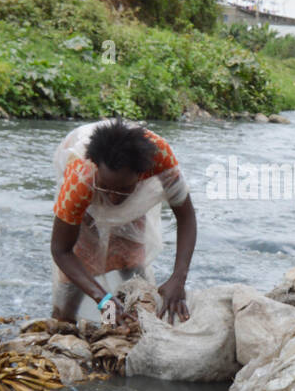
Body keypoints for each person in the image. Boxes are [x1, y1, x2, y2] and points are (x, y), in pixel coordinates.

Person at [50, 117, 196, 324]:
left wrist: (178, 278)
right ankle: (67, 321)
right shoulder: (80, 177)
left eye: (124, 189)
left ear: (142, 174)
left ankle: (128, 320)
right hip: (88, 188)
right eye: (107, 189)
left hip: (121, 183)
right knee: (81, 262)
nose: (114, 199)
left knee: (129, 261)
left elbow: (186, 216)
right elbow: (61, 250)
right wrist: (103, 299)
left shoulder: (160, 158)